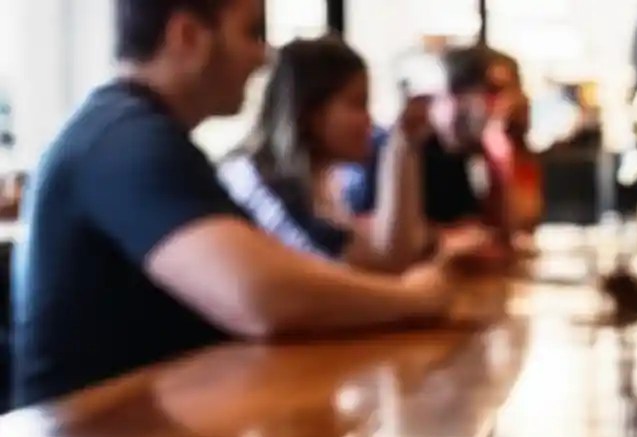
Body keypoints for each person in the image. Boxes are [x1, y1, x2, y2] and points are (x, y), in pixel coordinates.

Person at [11, 0, 460, 407]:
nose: (264, 56)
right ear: (187, 35)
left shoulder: (142, 135)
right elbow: (260, 295)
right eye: (252, 31)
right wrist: (413, 298)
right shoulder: (122, 141)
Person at [219, 36, 440, 272]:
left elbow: (388, 255)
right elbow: (381, 265)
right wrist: (399, 148)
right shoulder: (259, 182)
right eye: (357, 103)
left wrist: (404, 144)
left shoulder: (322, 184)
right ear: (309, 111)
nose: (369, 120)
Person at [344, 45, 543, 258]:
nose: (510, 104)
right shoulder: (401, 146)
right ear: (455, 95)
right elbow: (376, 235)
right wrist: (450, 237)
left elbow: (507, 231)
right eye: (495, 92)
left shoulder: (469, 154)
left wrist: (501, 150)